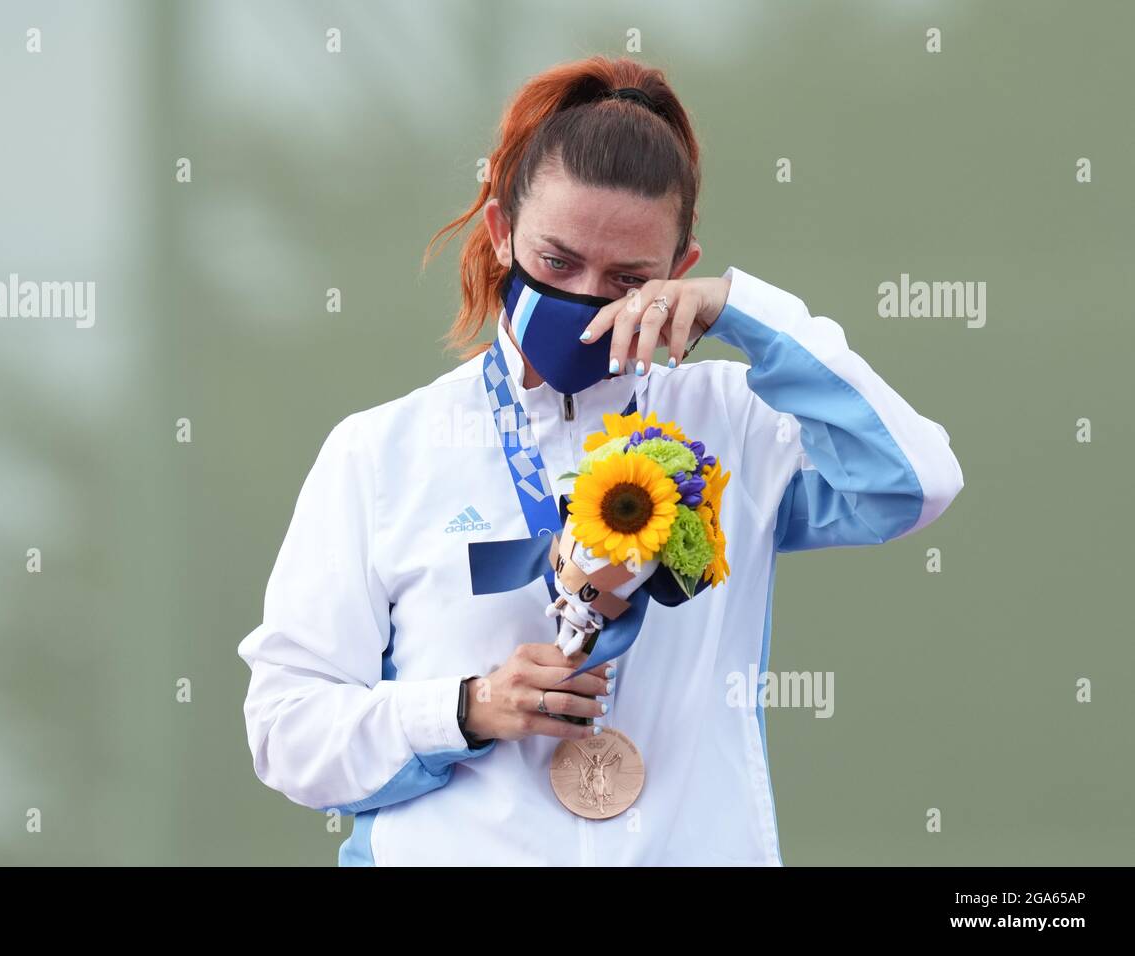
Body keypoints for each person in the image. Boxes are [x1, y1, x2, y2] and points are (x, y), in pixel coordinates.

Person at [236, 55, 964, 865]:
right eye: (556, 263)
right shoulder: (382, 452)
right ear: (500, 232)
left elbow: (916, 482)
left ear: (678, 273)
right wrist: (467, 708)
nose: (588, 296)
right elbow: (287, 731)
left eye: (628, 278)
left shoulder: (736, 419)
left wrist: (744, 312)